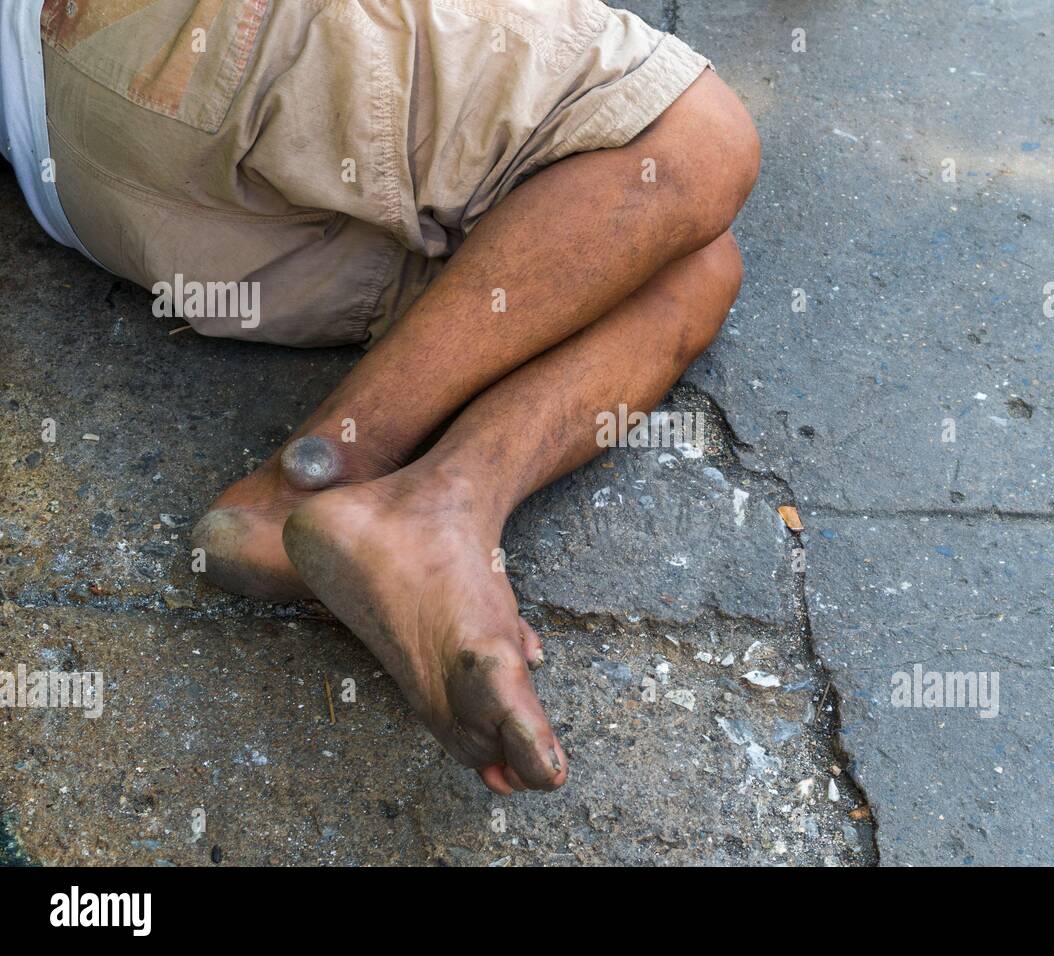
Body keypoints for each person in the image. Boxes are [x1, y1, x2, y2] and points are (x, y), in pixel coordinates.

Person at [2, 0, 759, 795]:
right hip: (165, 45)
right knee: (689, 140)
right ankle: (319, 474)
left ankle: (441, 508)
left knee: (680, 262)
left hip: (94, 175)